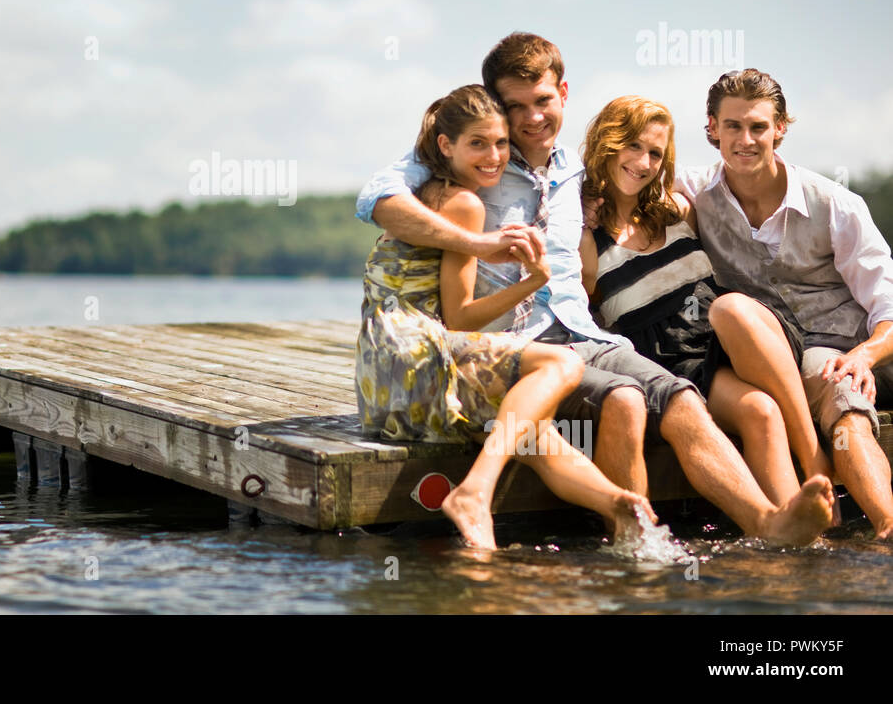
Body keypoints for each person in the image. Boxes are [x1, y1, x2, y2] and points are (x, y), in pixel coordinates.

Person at [356, 32, 834, 546]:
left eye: (542, 101)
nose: (532, 118)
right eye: (515, 106)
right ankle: (636, 545)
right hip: (516, 347)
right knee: (625, 403)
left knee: (682, 401)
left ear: (563, 92)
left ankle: (767, 521)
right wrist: (481, 242)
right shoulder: (480, 164)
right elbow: (375, 197)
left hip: (584, 334)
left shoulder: (576, 175)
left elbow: (641, 171)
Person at [356, 84, 657, 549]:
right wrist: (533, 282)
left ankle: (620, 507)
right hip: (415, 356)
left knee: (530, 431)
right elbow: (461, 319)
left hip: (384, 376)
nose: (495, 156)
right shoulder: (464, 203)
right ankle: (476, 491)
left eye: (500, 143)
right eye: (478, 143)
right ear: (445, 146)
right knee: (561, 365)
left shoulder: (433, 194)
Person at [578, 95, 833, 511]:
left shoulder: (677, 209)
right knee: (761, 413)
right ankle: (794, 534)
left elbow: (729, 183)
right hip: (675, 361)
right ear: (608, 143)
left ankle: (812, 467)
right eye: (633, 145)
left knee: (732, 311)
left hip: (734, 336)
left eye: (655, 153)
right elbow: (585, 316)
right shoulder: (586, 239)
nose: (643, 163)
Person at [674, 68, 893, 539]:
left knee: (843, 399)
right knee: (729, 309)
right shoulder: (694, 191)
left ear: (780, 128)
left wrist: (863, 356)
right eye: (733, 126)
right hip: (767, 352)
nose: (745, 140)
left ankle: (885, 535)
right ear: (712, 128)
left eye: (758, 126)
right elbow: (622, 182)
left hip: (842, 347)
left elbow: (888, 307)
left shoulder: (835, 204)